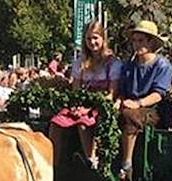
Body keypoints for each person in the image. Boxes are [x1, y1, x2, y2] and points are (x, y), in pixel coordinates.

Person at [49, 21, 120, 170]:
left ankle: (91, 159)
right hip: (82, 103)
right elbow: (76, 91)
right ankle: (53, 163)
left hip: (100, 106)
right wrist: (76, 105)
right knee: (56, 121)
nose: (92, 42)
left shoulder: (113, 64)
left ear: (102, 38)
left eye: (95, 38)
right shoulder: (80, 63)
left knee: (83, 123)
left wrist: (88, 109)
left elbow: (111, 94)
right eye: (88, 39)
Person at [115, 20, 172, 181]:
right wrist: (117, 101)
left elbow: (158, 94)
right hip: (129, 105)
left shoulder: (162, 65)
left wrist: (138, 103)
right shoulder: (129, 65)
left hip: (152, 109)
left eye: (140, 40)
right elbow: (122, 91)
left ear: (151, 42)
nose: (136, 44)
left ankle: (127, 165)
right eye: (134, 40)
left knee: (129, 116)